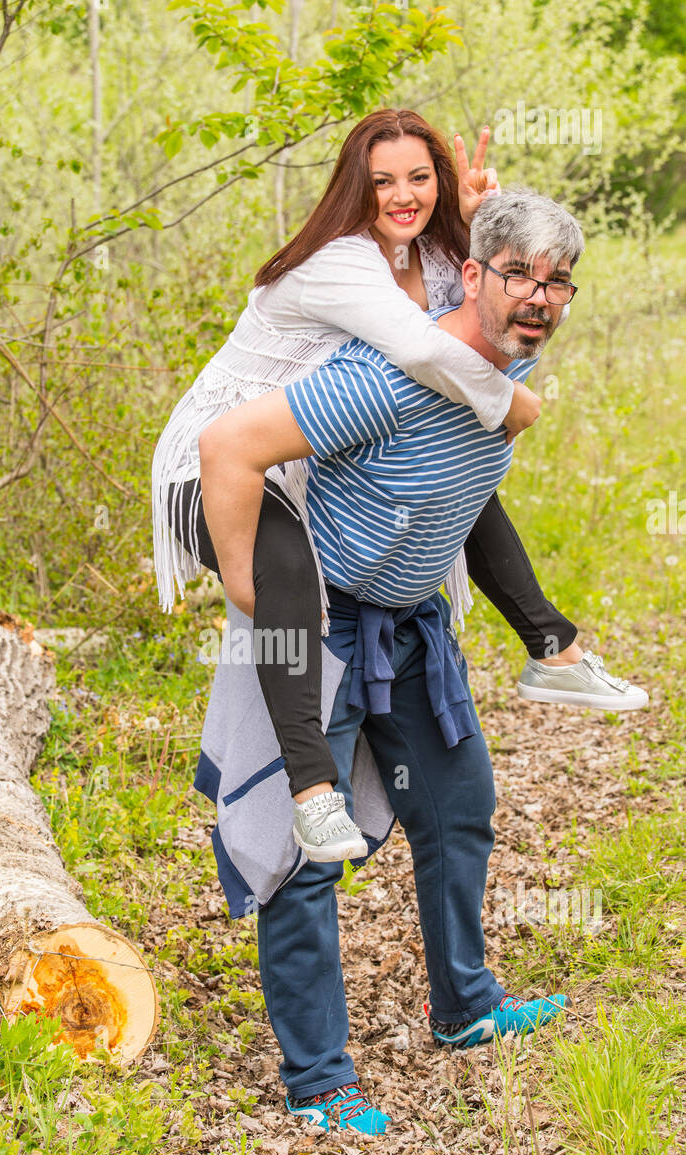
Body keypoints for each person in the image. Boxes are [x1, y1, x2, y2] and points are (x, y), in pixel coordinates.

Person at [153, 109, 646, 868]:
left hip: (294, 450)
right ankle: (312, 793)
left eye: (420, 176)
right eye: (382, 181)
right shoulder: (342, 263)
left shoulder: (434, 254)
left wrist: (480, 212)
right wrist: (515, 404)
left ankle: (551, 649)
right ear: (355, 187)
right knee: (285, 583)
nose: (402, 194)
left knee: (459, 475)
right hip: (215, 459)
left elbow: (493, 281)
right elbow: (420, 349)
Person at [196, 189, 580, 1135]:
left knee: (456, 808)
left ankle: (464, 1004)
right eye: (518, 275)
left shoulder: (497, 385)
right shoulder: (389, 373)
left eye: (556, 281)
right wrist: (251, 594)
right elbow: (231, 447)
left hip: (410, 632)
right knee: (303, 852)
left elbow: (469, 506)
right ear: (478, 276)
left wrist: (545, 629)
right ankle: (318, 1079)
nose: (537, 296)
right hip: (321, 634)